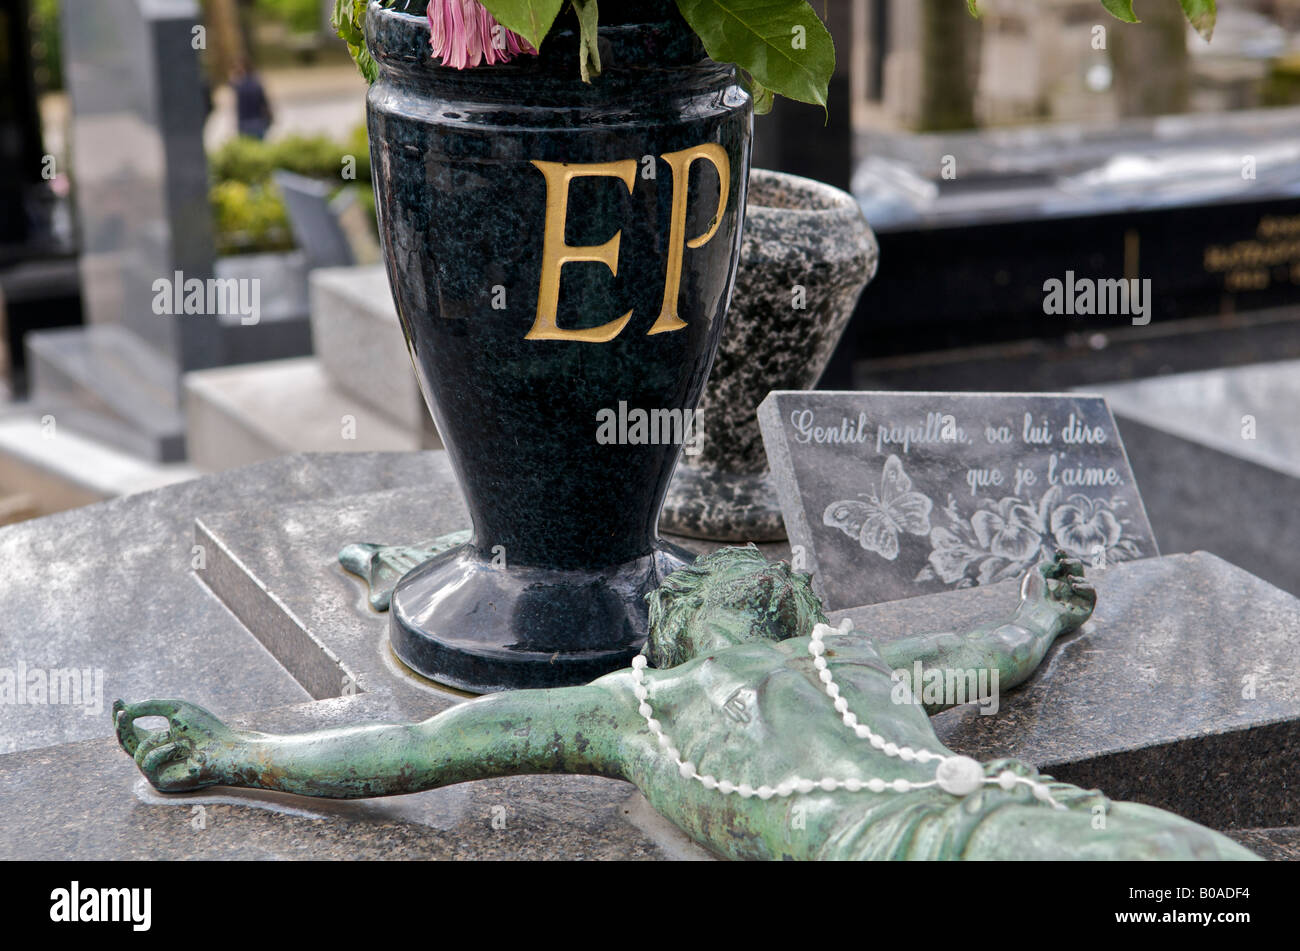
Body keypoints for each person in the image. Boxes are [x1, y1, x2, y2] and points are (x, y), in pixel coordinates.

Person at [115, 547, 1258, 860]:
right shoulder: (626, 710)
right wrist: (236, 754)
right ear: (695, 608)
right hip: (882, 844)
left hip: (1000, 804)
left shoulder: (854, 665)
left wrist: (1047, 618)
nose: (787, 582)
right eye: (755, 575)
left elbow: (987, 658)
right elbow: (418, 750)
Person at [229, 58, 272, 140]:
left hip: (246, 123)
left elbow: (231, 84)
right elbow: (264, 102)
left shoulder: (240, 84)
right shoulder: (257, 81)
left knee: (248, 147)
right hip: (257, 122)